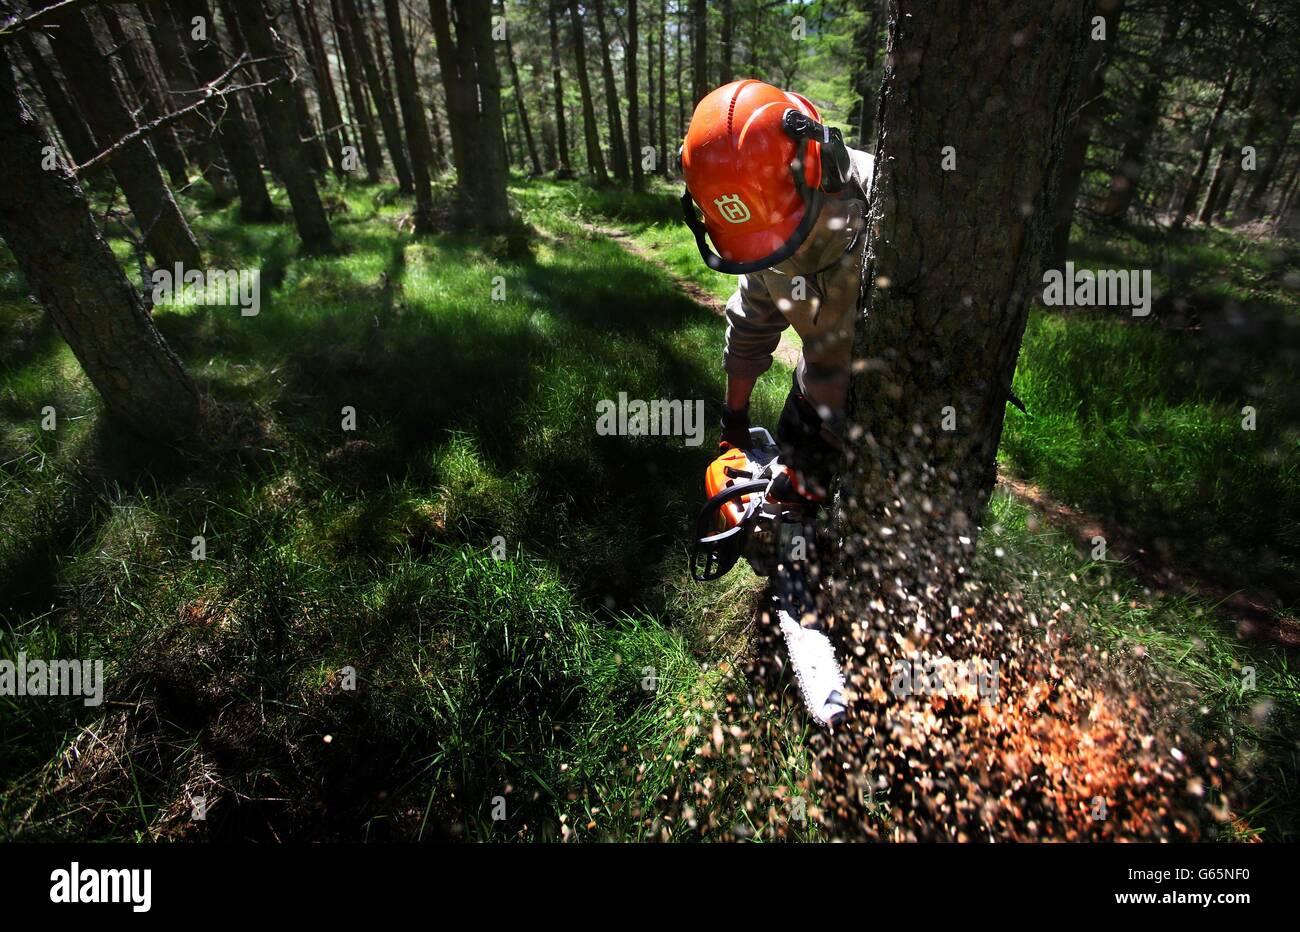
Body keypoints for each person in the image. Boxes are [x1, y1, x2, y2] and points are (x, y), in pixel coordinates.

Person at [680, 80, 873, 503]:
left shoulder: (887, 208)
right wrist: (734, 420)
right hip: (815, 389)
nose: (771, 255)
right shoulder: (758, 227)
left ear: (817, 165)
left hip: (885, 419)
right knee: (773, 529)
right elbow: (751, 322)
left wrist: (828, 446)